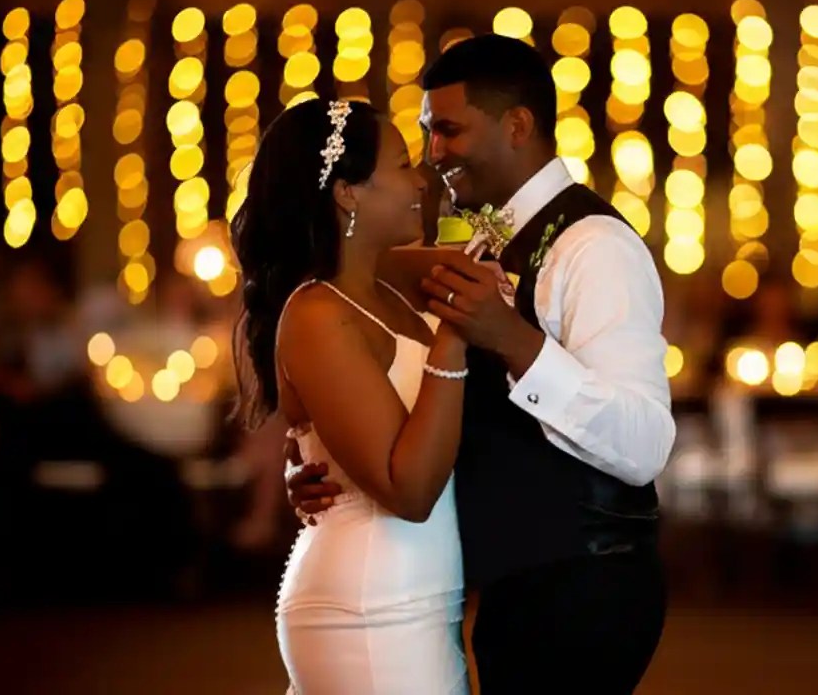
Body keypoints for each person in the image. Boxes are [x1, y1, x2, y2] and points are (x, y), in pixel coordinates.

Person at [288, 34, 675, 693]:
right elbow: (333, 305)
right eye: (424, 136)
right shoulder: (481, 242)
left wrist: (514, 340)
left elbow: (643, 445)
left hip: (583, 583)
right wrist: (317, 449)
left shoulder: (593, 246)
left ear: (517, 125)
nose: (435, 154)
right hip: (509, 584)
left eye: (448, 130)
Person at [230, 97, 474, 694]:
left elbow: (499, 269)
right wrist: (457, 336)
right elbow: (410, 491)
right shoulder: (316, 314)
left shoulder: (391, 284)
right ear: (348, 192)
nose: (421, 180)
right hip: (370, 605)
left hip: (419, 600)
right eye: (401, 165)